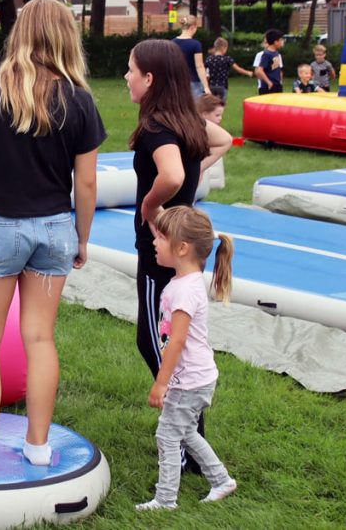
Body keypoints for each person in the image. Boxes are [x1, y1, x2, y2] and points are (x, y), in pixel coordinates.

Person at [0, 0, 107, 472]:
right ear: (65, 37)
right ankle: (37, 446)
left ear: (19, 34)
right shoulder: (80, 100)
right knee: (40, 339)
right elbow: (87, 183)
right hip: (55, 228)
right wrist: (82, 237)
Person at [124, 39, 232, 474]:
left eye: (131, 70)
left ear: (150, 79)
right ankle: (192, 438)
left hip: (162, 253)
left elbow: (169, 174)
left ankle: (188, 442)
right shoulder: (185, 121)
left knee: (157, 342)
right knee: (172, 338)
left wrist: (151, 208)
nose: (127, 77)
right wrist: (195, 174)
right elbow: (222, 139)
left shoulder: (156, 128)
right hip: (181, 250)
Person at [135, 206, 237, 511]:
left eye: (160, 238)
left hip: (189, 380)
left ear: (181, 248)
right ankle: (221, 480)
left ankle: (165, 499)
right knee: (186, 432)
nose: (154, 242)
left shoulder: (185, 291)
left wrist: (161, 383)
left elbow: (177, 340)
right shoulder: (185, 282)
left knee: (167, 435)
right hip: (196, 377)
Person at [204, 38, 253, 103]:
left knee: (212, 105)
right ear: (224, 48)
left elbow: (203, 70)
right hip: (222, 86)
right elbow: (238, 69)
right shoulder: (227, 59)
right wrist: (248, 72)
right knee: (221, 105)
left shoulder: (209, 59)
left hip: (211, 86)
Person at [173, 15, 210, 98]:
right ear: (193, 27)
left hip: (176, 82)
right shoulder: (195, 44)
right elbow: (199, 66)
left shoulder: (172, 43)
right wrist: (206, 87)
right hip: (193, 82)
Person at [254, 29, 285, 95]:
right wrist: (269, 82)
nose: (282, 42)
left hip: (277, 85)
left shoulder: (276, 53)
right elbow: (259, 70)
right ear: (275, 42)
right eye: (281, 40)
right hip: (268, 87)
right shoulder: (267, 54)